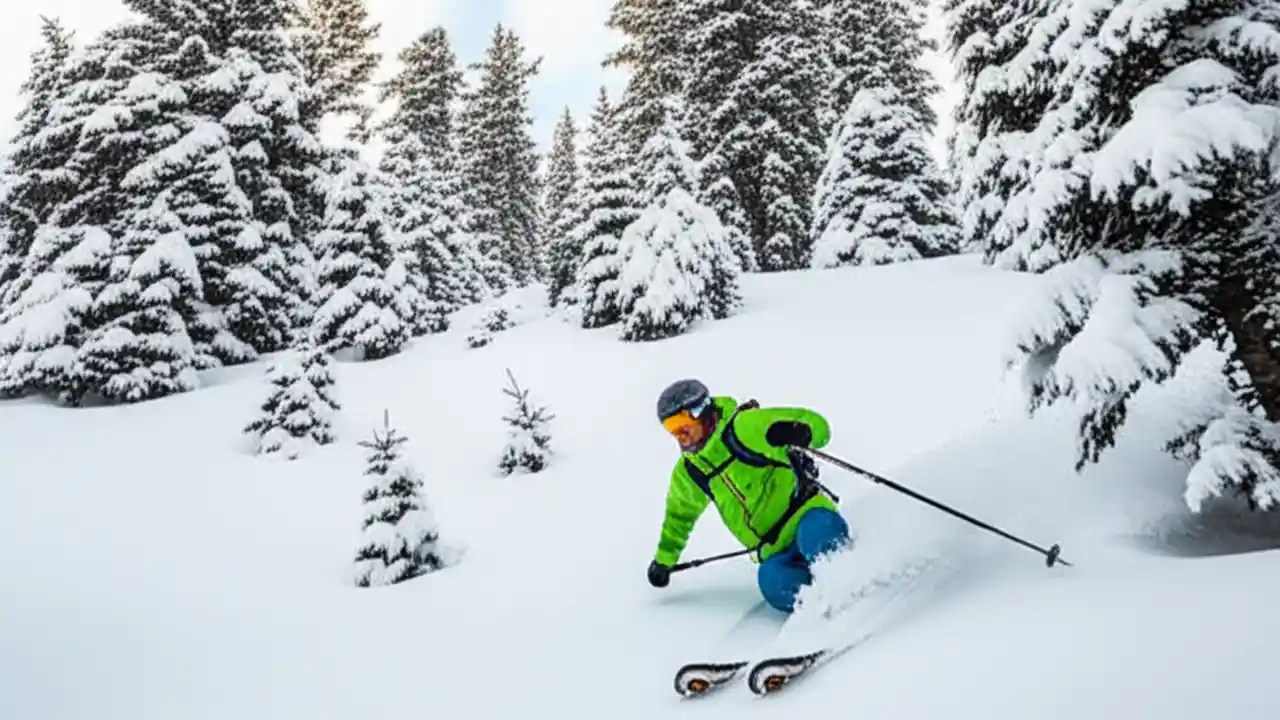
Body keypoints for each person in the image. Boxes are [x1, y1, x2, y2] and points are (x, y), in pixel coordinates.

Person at [647, 378, 852, 613]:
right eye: (671, 428)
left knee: (817, 536)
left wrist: (801, 433)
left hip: (806, 515)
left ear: (701, 411)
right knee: (772, 581)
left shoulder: (744, 427)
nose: (679, 434)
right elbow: (679, 518)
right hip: (774, 549)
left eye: (681, 423)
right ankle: (823, 610)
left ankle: (850, 584)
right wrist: (664, 562)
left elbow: (818, 426)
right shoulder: (690, 472)